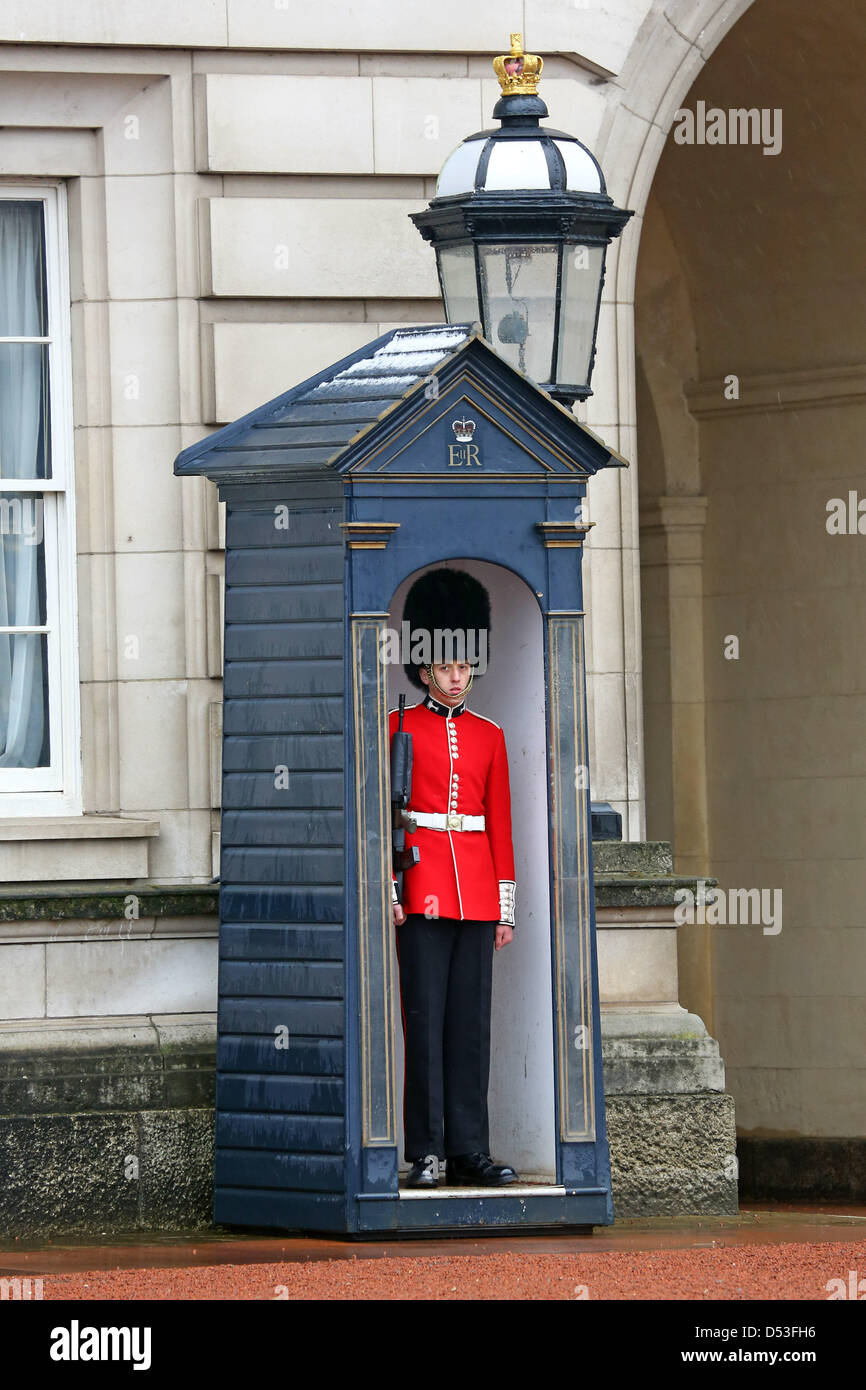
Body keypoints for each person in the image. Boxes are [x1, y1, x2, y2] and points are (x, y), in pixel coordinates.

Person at [388, 567, 518, 1189]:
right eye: (447, 665)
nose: (459, 675)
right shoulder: (398, 726)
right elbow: (385, 815)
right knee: (426, 1022)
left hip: (477, 891)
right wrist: (391, 886)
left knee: (470, 1027)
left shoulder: (490, 736)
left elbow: (500, 827)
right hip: (421, 889)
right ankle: (429, 1150)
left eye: (466, 664)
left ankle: (470, 1147)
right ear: (424, 668)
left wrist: (506, 905)